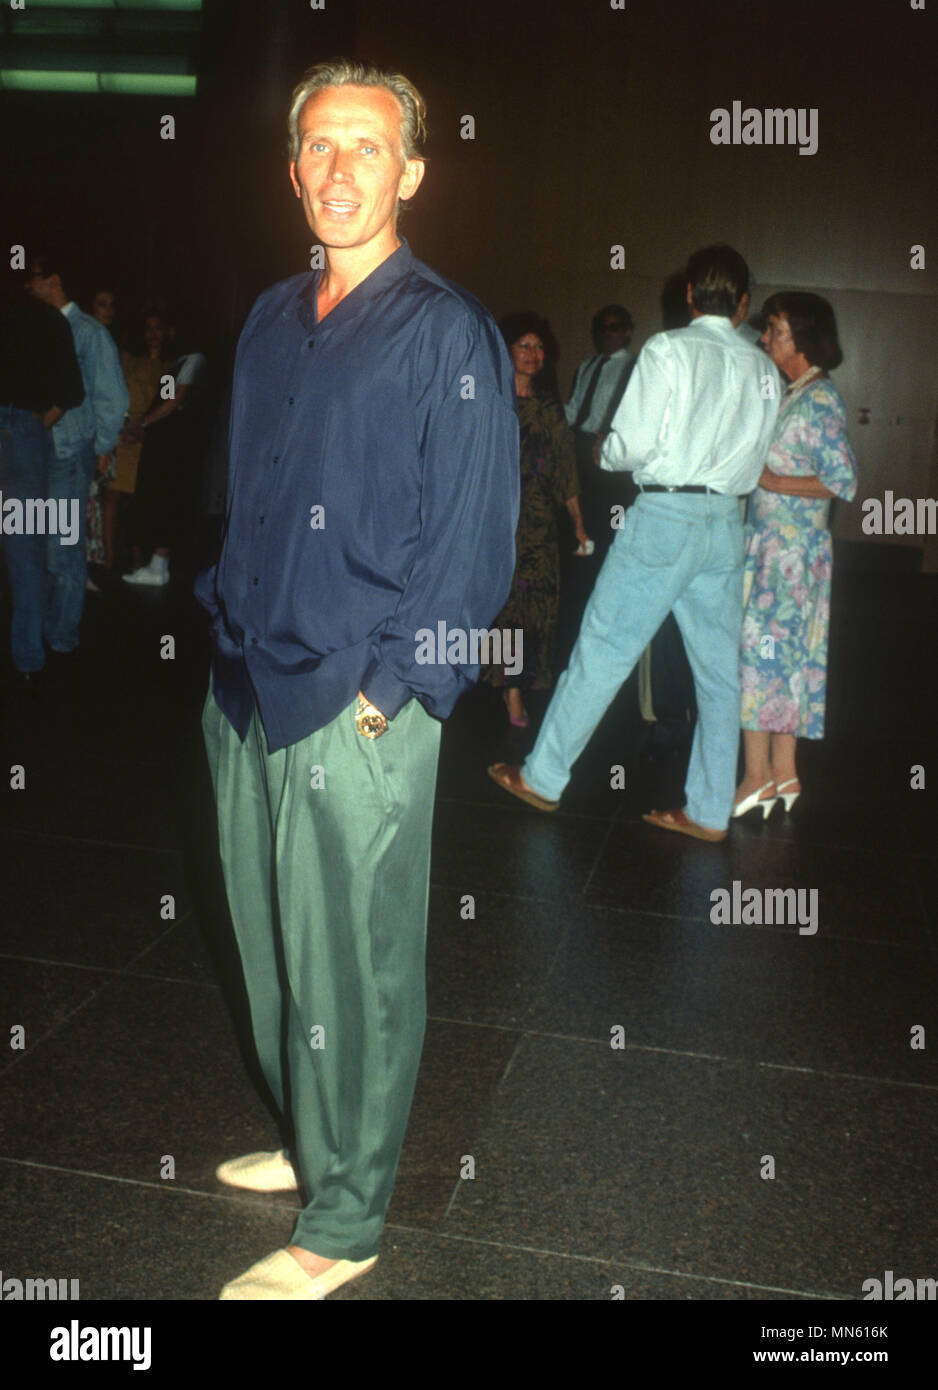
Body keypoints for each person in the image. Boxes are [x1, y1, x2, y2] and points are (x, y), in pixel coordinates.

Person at [195, 58, 518, 1300]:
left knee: (355, 967)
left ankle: (346, 1218)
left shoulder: (448, 331)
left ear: (413, 172)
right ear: (292, 171)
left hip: (355, 698)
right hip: (243, 686)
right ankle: (313, 1137)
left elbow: (473, 549)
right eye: (318, 148)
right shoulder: (276, 315)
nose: (339, 170)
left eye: (367, 148)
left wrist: (393, 694)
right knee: (274, 950)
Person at [489, 244, 780, 842]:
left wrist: (606, 451)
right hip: (726, 521)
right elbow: (758, 452)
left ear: (691, 294)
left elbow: (632, 444)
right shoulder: (762, 367)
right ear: (744, 303)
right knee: (721, 674)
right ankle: (705, 809)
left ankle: (543, 778)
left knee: (603, 650)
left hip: (666, 516)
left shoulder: (668, 349)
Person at [732, 293, 857, 819]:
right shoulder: (797, 394)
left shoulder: (819, 399)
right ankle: (784, 774)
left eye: (775, 330)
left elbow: (843, 480)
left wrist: (773, 479)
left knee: (759, 662)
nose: (765, 338)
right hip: (777, 553)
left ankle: (755, 778)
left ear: (802, 339)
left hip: (787, 559)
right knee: (784, 664)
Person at [486, 312, 589, 727]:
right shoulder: (490, 403)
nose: (533, 354)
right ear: (507, 350)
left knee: (536, 608)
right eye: (524, 345)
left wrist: (579, 524)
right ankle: (502, 685)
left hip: (541, 524)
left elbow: (566, 470)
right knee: (503, 606)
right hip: (496, 520)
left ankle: (517, 686)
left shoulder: (550, 409)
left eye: (539, 347)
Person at [25, 251, 128, 656]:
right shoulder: (41, 329)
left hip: (69, 455)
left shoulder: (87, 332)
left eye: (33, 277)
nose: (27, 285)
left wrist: (101, 448)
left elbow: (112, 397)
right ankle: (45, 632)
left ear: (53, 280)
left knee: (62, 551)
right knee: (38, 544)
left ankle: (62, 637)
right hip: (39, 453)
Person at [0, 282, 84, 686]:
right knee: (26, 552)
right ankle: (28, 659)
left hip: (18, 430)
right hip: (23, 435)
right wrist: (34, 424)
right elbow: (72, 391)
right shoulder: (48, 319)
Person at [123, 316, 207, 587]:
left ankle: (159, 568)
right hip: (164, 442)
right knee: (158, 502)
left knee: (168, 502)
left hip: (177, 446)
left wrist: (143, 422)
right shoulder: (178, 361)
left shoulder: (194, 360)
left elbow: (175, 401)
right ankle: (156, 566)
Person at [565, 304, 636, 559]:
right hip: (578, 450)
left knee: (607, 521)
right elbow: (574, 409)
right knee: (577, 520)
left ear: (627, 332)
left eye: (614, 328)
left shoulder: (635, 367)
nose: (607, 333)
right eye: (602, 328)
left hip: (608, 454)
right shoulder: (587, 366)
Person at [86, 287, 120, 583]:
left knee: (97, 502)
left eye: (111, 304)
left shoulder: (105, 340)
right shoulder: (93, 336)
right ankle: (88, 568)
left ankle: (96, 567)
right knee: (89, 503)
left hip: (100, 439)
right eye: (101, 304)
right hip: (92, 438)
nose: (108, 310)